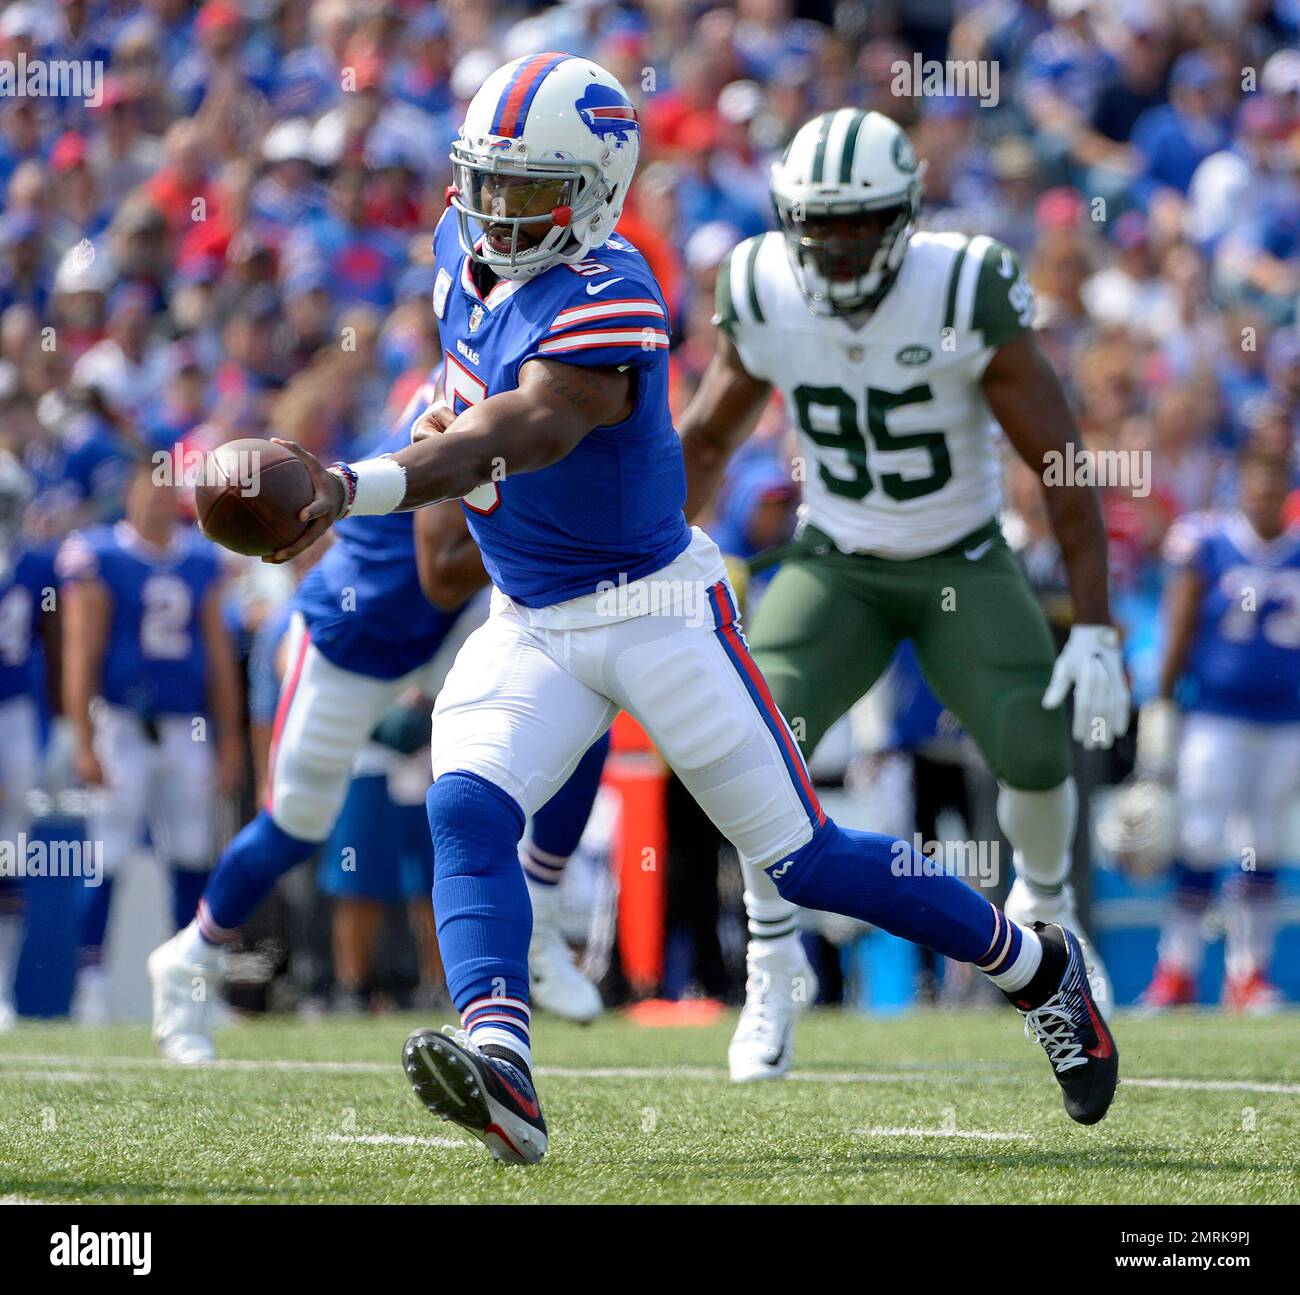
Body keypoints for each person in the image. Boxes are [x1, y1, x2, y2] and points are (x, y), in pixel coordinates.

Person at [228, 56, 1118, 1164]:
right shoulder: (464, 265)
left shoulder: (615, 284)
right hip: (531, 617)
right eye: (485, 182)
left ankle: (1039, 967)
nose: (497, 211)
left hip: (655, 610)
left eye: (528, 188)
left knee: (803, 860)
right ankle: (502, 1057)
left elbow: (531, 426)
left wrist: (353, 483)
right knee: (463, 806)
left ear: (597, 186)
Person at [678, 108, 1129, 1081]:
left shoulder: (961, 285)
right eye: (820, 226)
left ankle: (1051, 923)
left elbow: (1055, 456)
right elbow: (707, 440)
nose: (836, 247)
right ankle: (771, 958)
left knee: (1031, 740)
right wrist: (646, 559)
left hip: (961, 557)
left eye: (860, 224)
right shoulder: (758, 283)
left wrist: (1094, 626)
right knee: (758, 740)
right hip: (836, 559)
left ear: (907, 217)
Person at [149, 405, 604, 1060]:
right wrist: (561, 533)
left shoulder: (534, 380)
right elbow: (441, 571)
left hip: (451, 623)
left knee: (585, 706)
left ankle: (541, 910)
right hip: (356, 633)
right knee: (295, 823)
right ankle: (189, 959)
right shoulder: (458, 398)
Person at [58, 459, 243, 1022]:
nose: (161, 503)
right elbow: (80, 652)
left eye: (169, 493)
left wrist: (229, 739)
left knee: (191, 853)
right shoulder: (101, 557)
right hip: (119, 723)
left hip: (187, 726)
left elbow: (218, 657)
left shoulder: (200, 558)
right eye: (152, 491)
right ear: (131, 495)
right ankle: (92, 984)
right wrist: (83, 739)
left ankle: (193, 988)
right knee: (106, 854)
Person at [1139, 442, 1300, 1012]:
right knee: (1200, 841)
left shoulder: (1296, 549)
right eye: (1256, 485)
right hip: (1216, 717)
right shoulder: (1209, 543)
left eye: (1274, 485)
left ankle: (1248, 973)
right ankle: (1176, 969)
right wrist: (1161, 703)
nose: (1265, 496)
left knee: (1264, 846)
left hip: (1284, 722)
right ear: (1239, 488)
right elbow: (1179, 624)